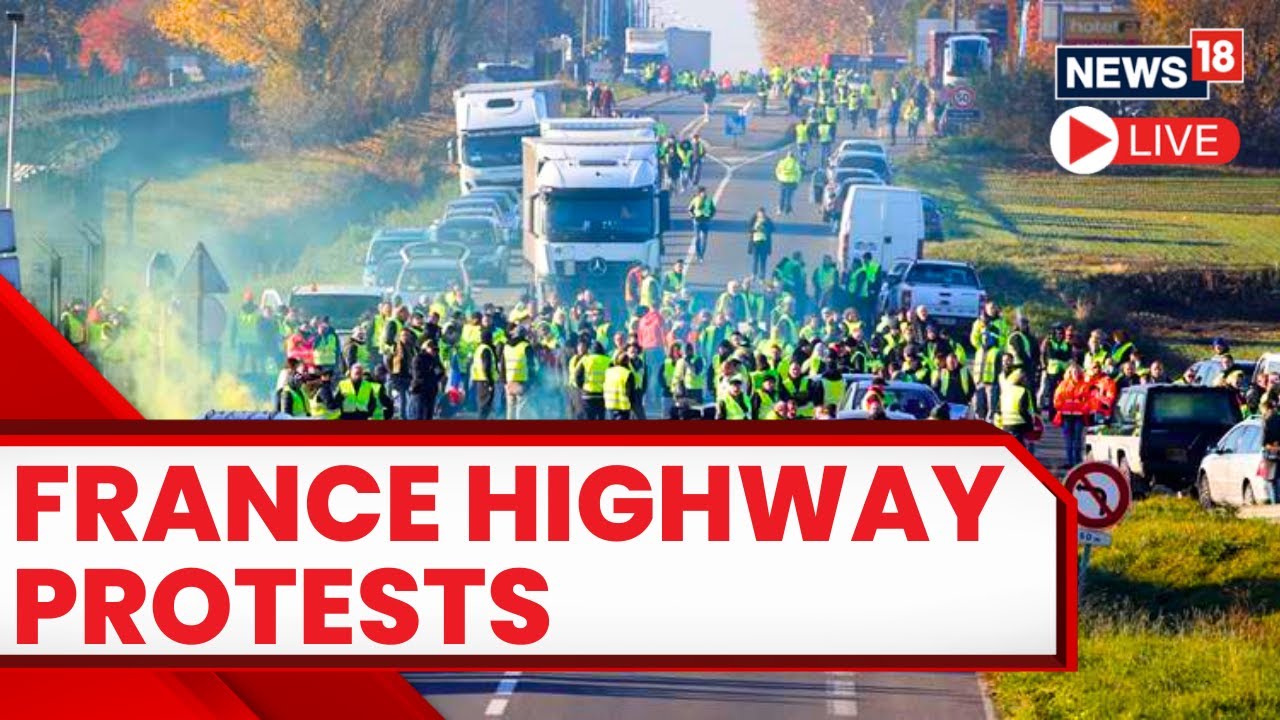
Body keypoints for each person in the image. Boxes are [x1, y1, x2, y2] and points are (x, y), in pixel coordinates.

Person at [1054, 364, 1090, 468]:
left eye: (1077, 372)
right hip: (1066, 416)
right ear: (1069, 373)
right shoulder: (1063, 385)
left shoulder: (1084, 385)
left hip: (1079, 416)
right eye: (1074, 372)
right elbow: (1057, 398)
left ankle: (1077, 462)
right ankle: (1070, 462)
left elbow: (1088, 400)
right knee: (1068, 440)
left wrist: (1083, 409)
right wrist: (1061, 407)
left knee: (1077, 440)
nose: (1076, 374)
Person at [410, 337, 445, 420]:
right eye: (431, 349)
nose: (434, 351)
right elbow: (418, 375)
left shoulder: (435, 359)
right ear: (425, 348)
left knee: (429, 415)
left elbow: (441, 372)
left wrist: (435, 377)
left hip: (432, 389)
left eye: (435, 349)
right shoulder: (418, 358)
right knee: (419, 414)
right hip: (420, 390)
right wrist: (432, 373)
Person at [502, 327, 533, 420]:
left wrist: (504, 381)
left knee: (510, 408)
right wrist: (532, 381)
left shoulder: (506, 346)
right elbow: (531, 365)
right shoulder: (526, 346)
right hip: (522, 381)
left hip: (509, 381)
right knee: (521, 409)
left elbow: (503, 365)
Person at [470, 329, 499, 420]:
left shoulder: (479, 348)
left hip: (480, 381)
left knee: (482, 406)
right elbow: (486, 367)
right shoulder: (486, 349)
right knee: (485, 407)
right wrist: (490, 382)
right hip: (485, 382)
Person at [688, 186, 716, 262]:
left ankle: (702, 255)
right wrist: (693, 217)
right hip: (697, 220)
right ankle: (698, 254)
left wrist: (710, 217)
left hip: (706, 221)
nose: (704, 193)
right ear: (700, 193)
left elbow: (713, 209)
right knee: (697, 238)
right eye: (703, 192)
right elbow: (690, 209)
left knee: (705, 239)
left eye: (705, 192)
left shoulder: (709, 200)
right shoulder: (695, 200)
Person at [747, 208, 774, 280]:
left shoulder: (767, 220)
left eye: (763, 213)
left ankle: (762, 276)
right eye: (760, 213)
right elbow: (749, 228)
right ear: (757, 213)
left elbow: (773, 228)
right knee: (755, 260)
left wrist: (765, 227)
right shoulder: (754, 219)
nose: (761, 215)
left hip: (764, 243)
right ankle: (754, 274)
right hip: (755, 243)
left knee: (763, 261)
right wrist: (755, 229)